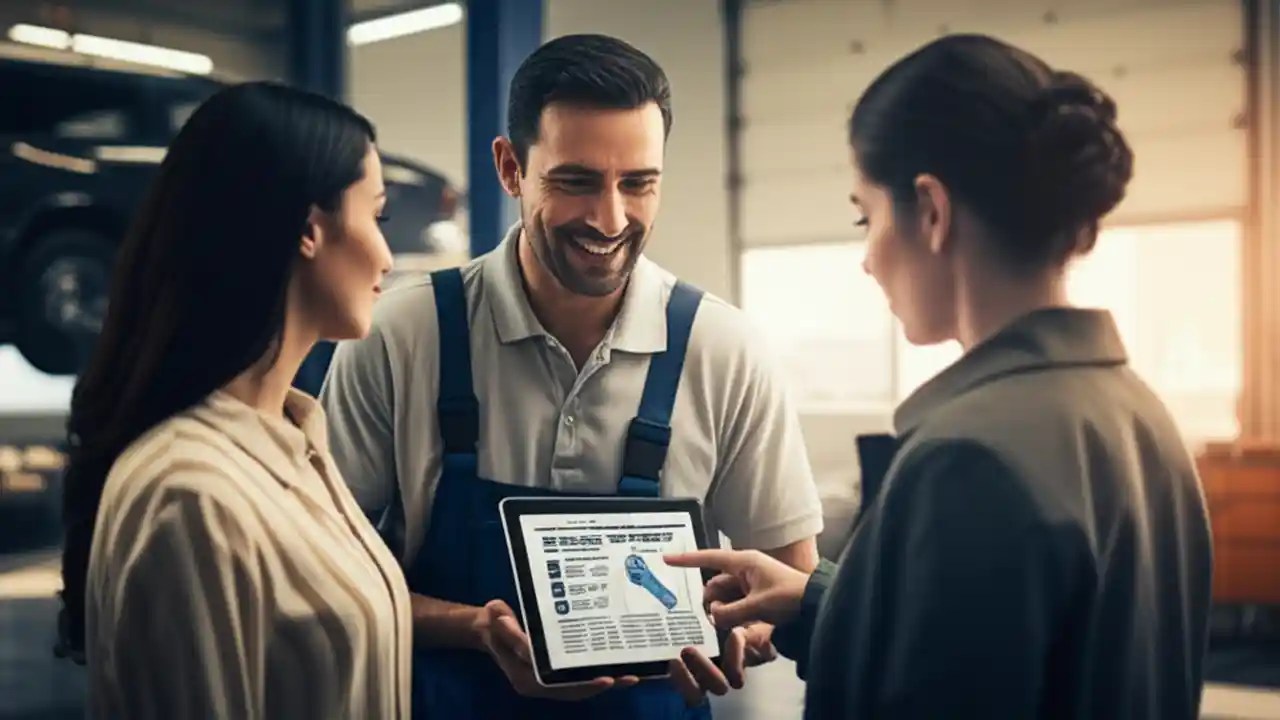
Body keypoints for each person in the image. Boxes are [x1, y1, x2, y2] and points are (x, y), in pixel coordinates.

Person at [668, 34, 1213, 720]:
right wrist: (816, 601)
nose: (867, 259)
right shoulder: (1139, 413)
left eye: (866, 217)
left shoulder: (968, 456)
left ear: (930, 210)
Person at [321, 33, 823, 719]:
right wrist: (470, 627)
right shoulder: (401, 336)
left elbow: (790, 574)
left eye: (638, 183)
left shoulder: (724, 348)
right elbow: (323, 577)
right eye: (576, 181)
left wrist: (752, 625)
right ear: (510, 167)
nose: (610, 219)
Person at [58, 82, 411, 719]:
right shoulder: (190, 493)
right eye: (377, 215)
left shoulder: (296, 436)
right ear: (309, 227)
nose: (386, 256)